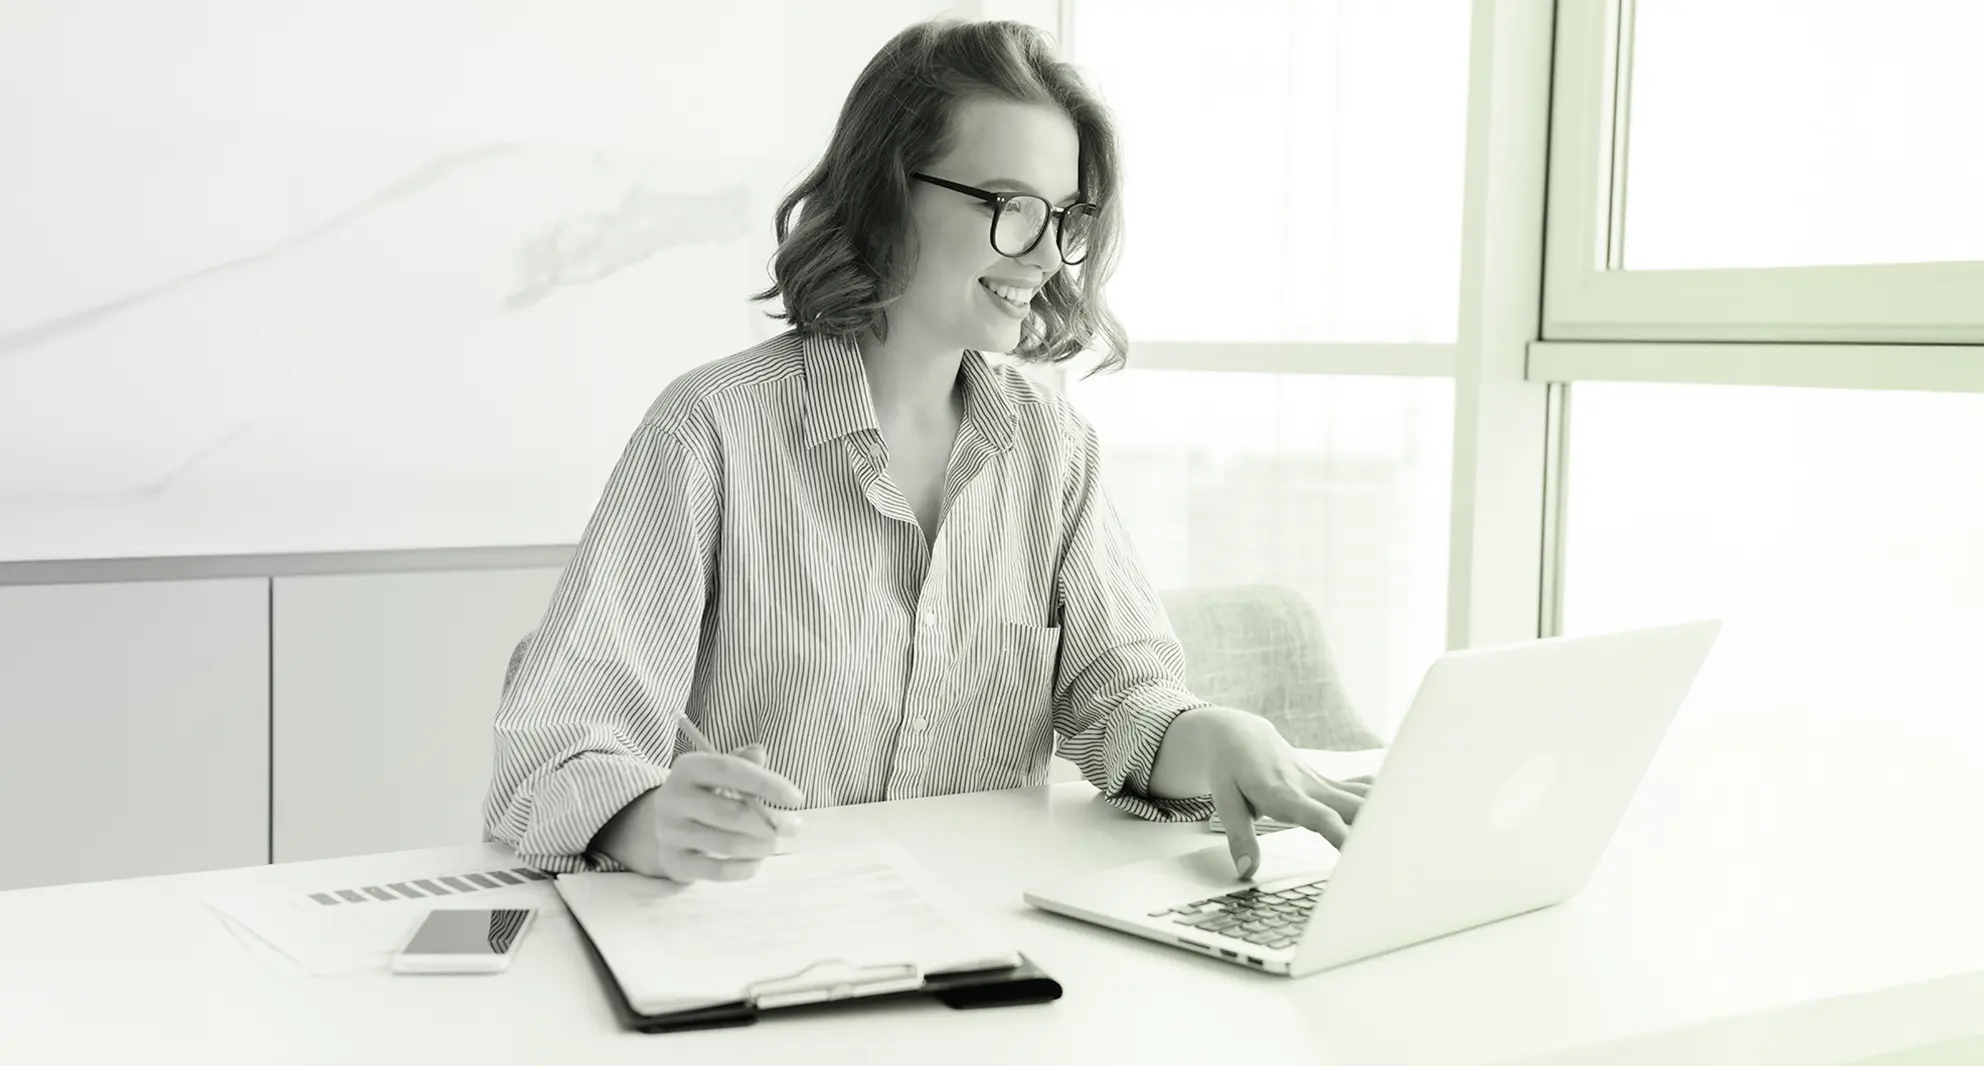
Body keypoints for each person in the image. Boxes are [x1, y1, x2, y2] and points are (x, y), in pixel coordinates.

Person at [481, 16, 1370, 887]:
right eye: (1010, 207)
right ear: (886, 192)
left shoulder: (1051, 451)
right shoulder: (709, 431)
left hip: (992, 955)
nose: (1047, 256)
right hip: (759, 958)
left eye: (1063, 216)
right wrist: (644, 820)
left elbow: (1122, 703)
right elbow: (555, 744)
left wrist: (1216, 737)